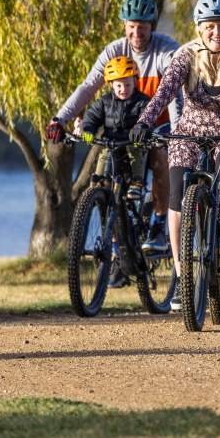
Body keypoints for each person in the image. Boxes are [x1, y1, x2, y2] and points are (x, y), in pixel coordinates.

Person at [130, 0, 220, 311]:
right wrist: (144, 120)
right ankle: (183, 277)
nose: (216, 33)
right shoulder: (185, 57)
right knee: (177, 194)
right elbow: (163, 93)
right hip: (191, 129)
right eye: (210, 27)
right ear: (199, 29)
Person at [46, 0, 176, 252]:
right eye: (132, 26)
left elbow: (175, 89)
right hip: (122, 129)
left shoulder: (165, 49)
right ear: (124, 26)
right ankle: (115, 242)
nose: (137, 32)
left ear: (152, 25)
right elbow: (88, 87)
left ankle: (160, 225)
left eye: (143, 26)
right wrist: (60, 119)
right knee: (104, 178)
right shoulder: (114, 50)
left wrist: (179, 125)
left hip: (158, 125)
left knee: (160, 159)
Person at [74, 56, 150, 287]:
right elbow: (91, 118)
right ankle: (98, 186)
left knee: (137, 150)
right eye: (118, 85)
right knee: (102, 155)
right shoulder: (104, 102)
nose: (123, 89)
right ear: (110, 85)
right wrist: (87, 130)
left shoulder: (140, 101)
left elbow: (148, 116)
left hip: (131, 143)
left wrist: (142, 128)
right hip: (110, 144)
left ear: (134, 82)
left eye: (127, 84)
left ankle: (136, 184)